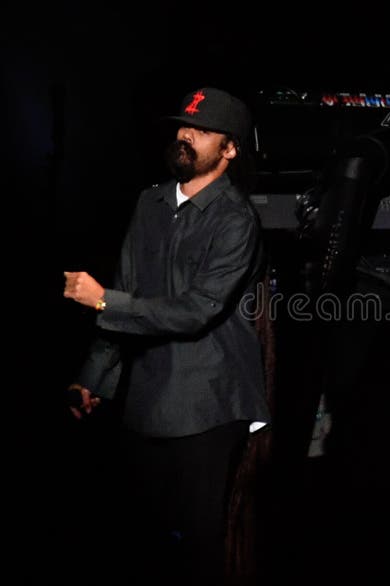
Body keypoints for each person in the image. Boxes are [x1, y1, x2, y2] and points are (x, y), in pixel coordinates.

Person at [62, 87, 270, 585]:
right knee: (139, 541)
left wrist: (105, 299)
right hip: (146, 398)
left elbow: (195, 310)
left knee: (200, 543)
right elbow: (129, 294)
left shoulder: (236, 219)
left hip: (207, 403)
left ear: (229, 149)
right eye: (183, 125)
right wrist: (95, 377)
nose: (185, 134)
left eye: (200, 130)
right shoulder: (150, 202)